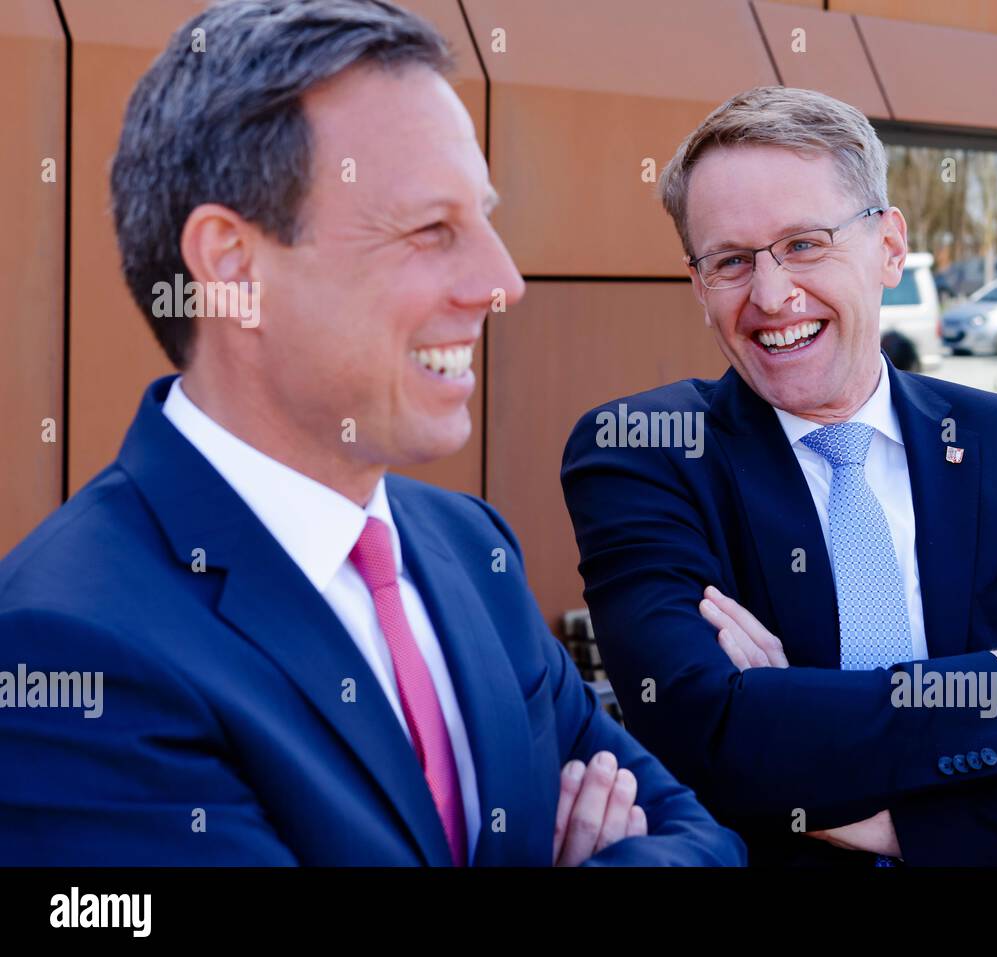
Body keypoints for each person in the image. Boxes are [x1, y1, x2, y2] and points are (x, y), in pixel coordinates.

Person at [0, 0, 742, 868]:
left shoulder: (470, 546)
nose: (502, 282)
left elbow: (702, 841)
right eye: (431, 229)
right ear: (233, 267)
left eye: (485, 218)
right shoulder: (67, 651)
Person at [561, 86, 997, 867]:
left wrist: (887, 815)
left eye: (805, 243)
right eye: (731, 261)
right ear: (699, 285)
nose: (771, 295)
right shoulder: (645, 455)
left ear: (890, 247)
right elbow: (708, 733)